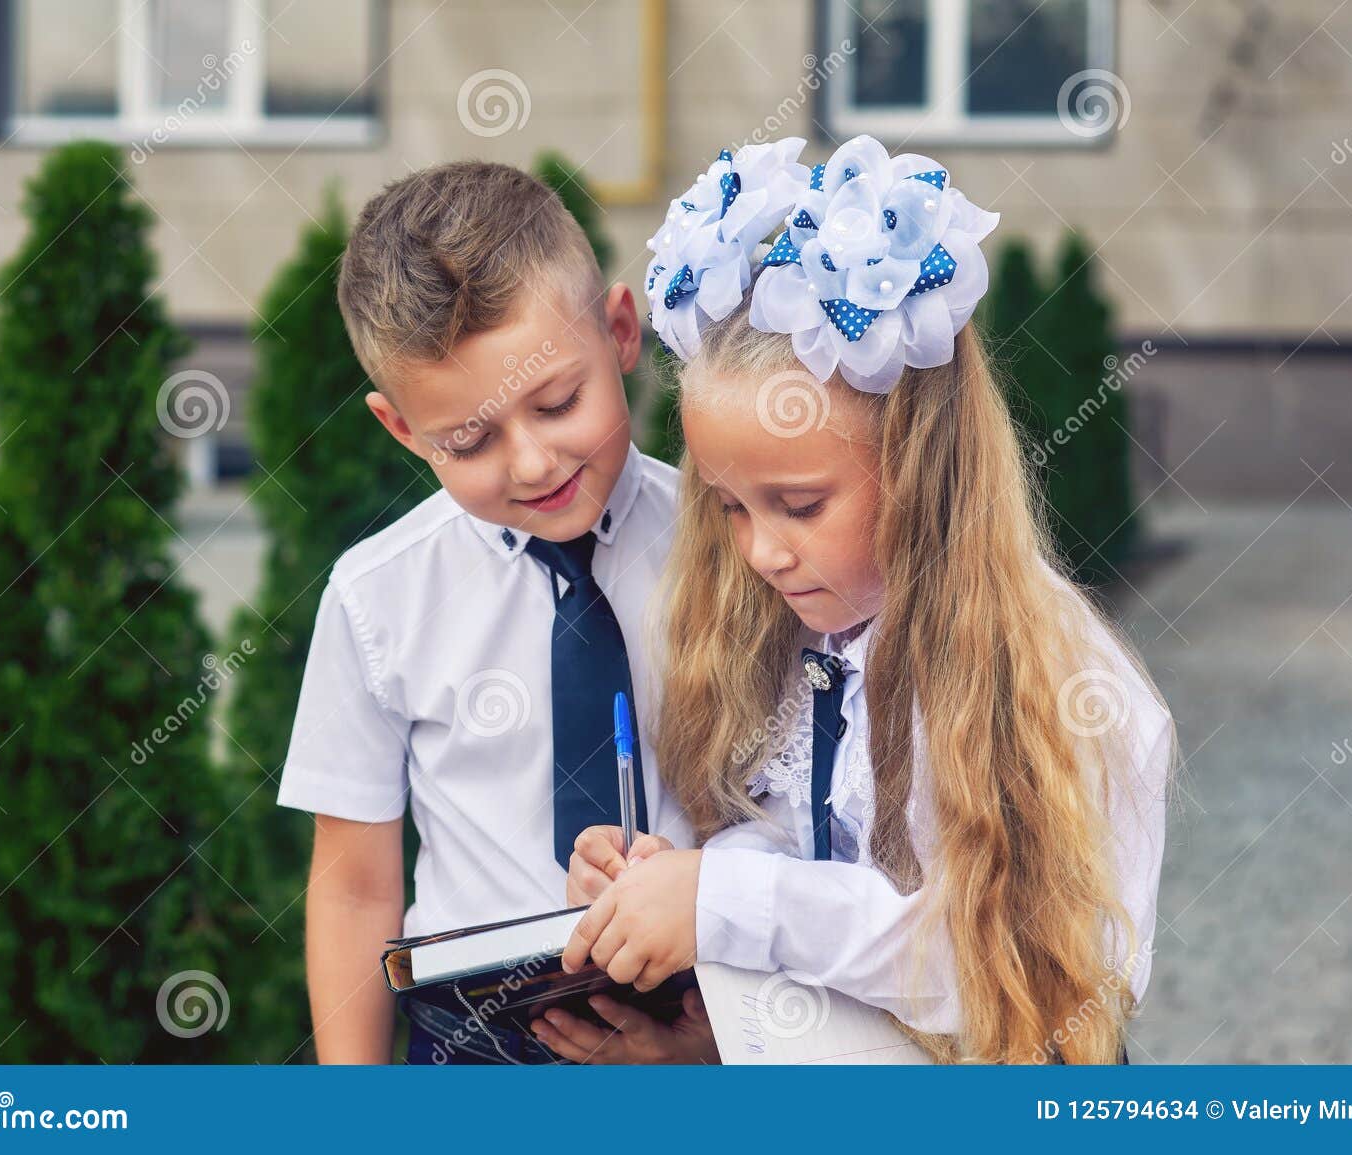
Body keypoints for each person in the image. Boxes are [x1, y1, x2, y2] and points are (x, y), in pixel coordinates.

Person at [544, 135, 1175, 1065]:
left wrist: (726, 906)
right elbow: (802, 850)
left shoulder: (1060, 680)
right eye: (727, 506)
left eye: (799, 504)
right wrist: (686, 884)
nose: (757, 550)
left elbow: (1006, 968)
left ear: (919, 470)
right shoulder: (790, 632)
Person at [277, 160, 701, 1063]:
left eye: (558, 404)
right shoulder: (376, 596)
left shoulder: (734, 550)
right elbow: (354, 885)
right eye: (469, 439)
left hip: (702, 1019)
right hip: (475, 1044)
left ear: (621, 332)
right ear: (403, 429)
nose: (534, 463)